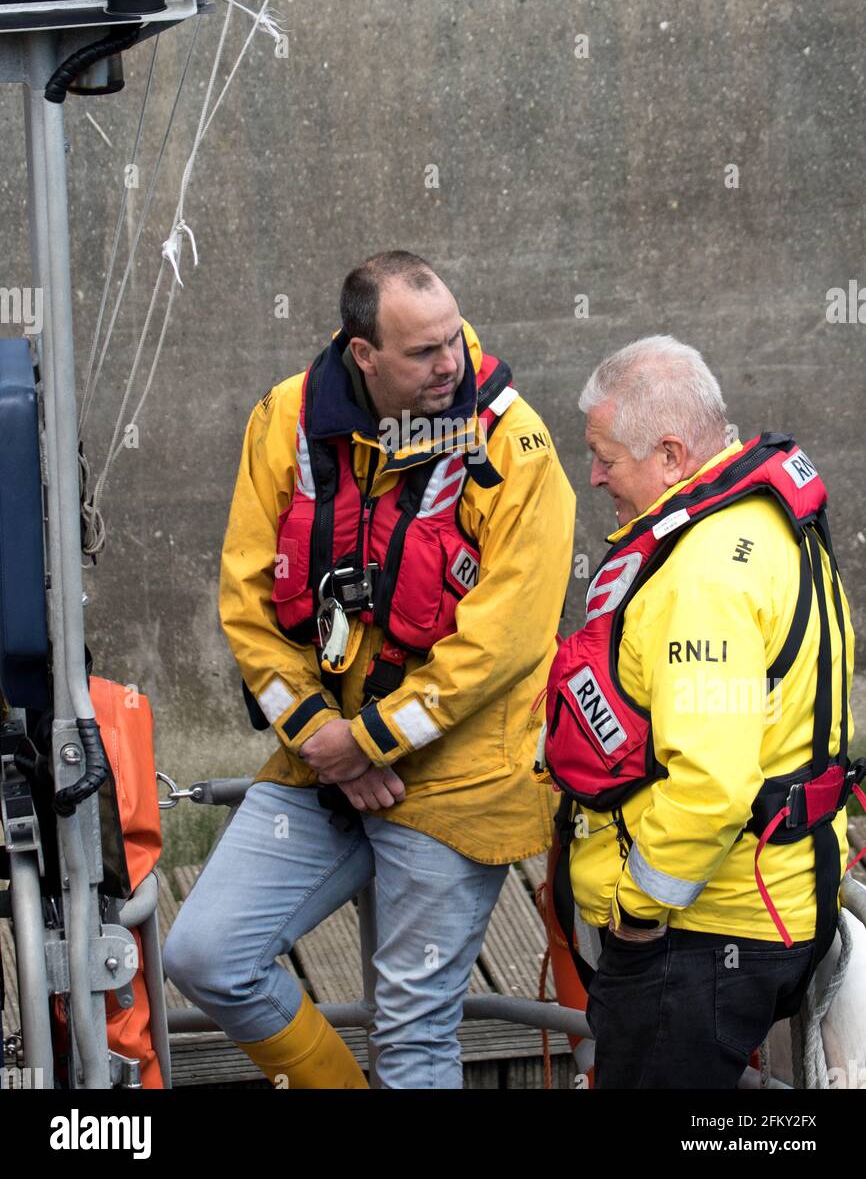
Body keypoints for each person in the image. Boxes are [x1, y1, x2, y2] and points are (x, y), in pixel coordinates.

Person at [164, 250, 575, 1089]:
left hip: (458, 781)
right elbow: (248, 605)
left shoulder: (515, 444)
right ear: (364, 355)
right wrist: (324, 737)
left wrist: (373, 741)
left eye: (452, 340)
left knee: (414, 1028)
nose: (448, 363)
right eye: (422, 352)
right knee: (205, 955)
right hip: (326, 760)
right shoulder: (285, 418)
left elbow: (507, 641)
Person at [544, 335, 856, 1089]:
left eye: (606, 457)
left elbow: (710, 786)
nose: (593, 476)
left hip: (709, 936)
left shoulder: (703, 577)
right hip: (767, 906)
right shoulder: (766, 522)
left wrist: (637, 916)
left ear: (673, 455)